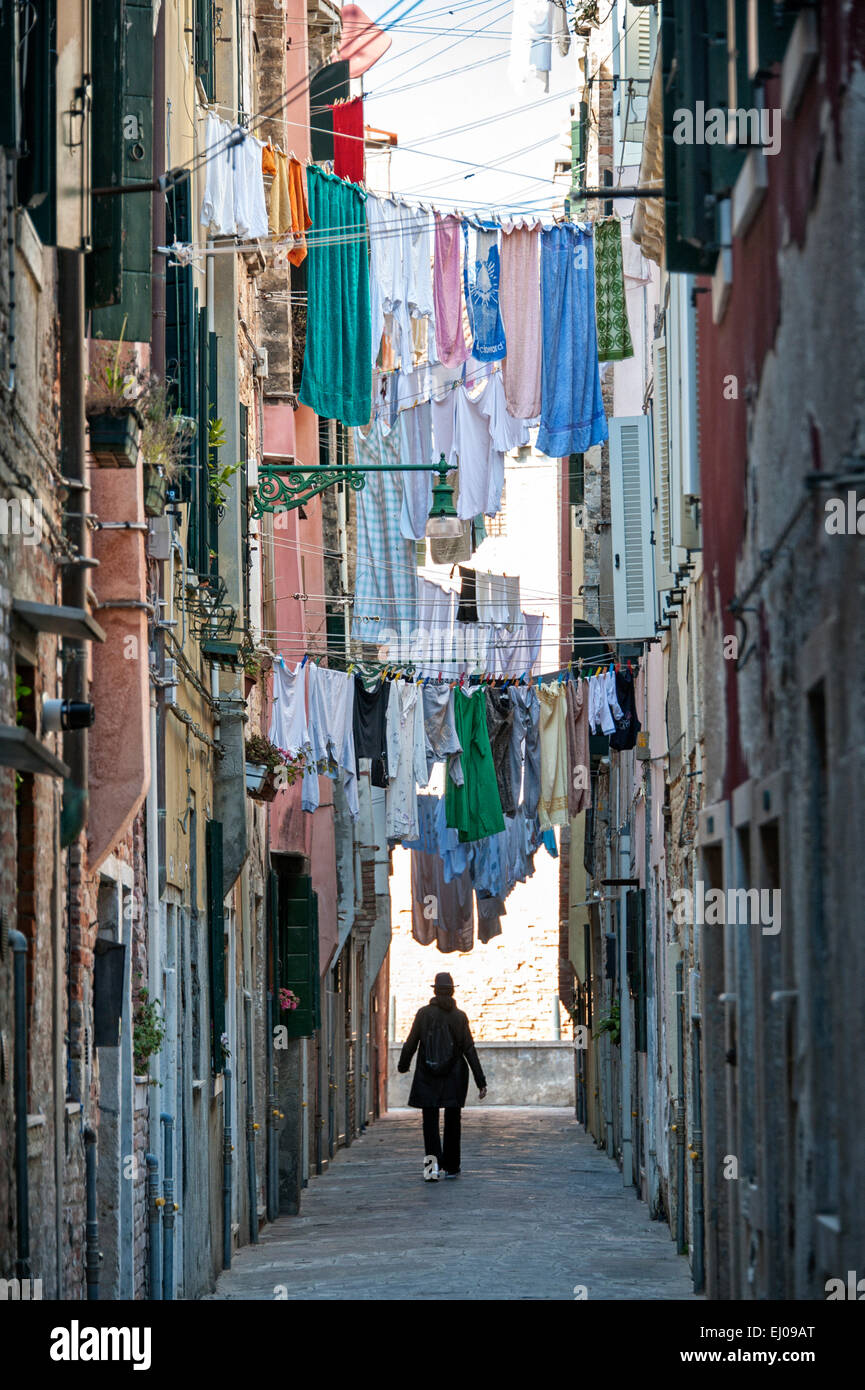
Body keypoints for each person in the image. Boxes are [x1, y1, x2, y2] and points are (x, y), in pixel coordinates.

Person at [397, 972, 487, 1181]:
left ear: (435, 991)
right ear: (452, 990)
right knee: (453, 1121)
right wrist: (480, 1081)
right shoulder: (459, 1016)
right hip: (455, 1076)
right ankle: (452, 1167)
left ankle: (432, 1170)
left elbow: (411, 1042)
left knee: (429, 1123)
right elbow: (469, 1049)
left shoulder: (423, 1014)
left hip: (427, 1075)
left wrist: (403, 1065)